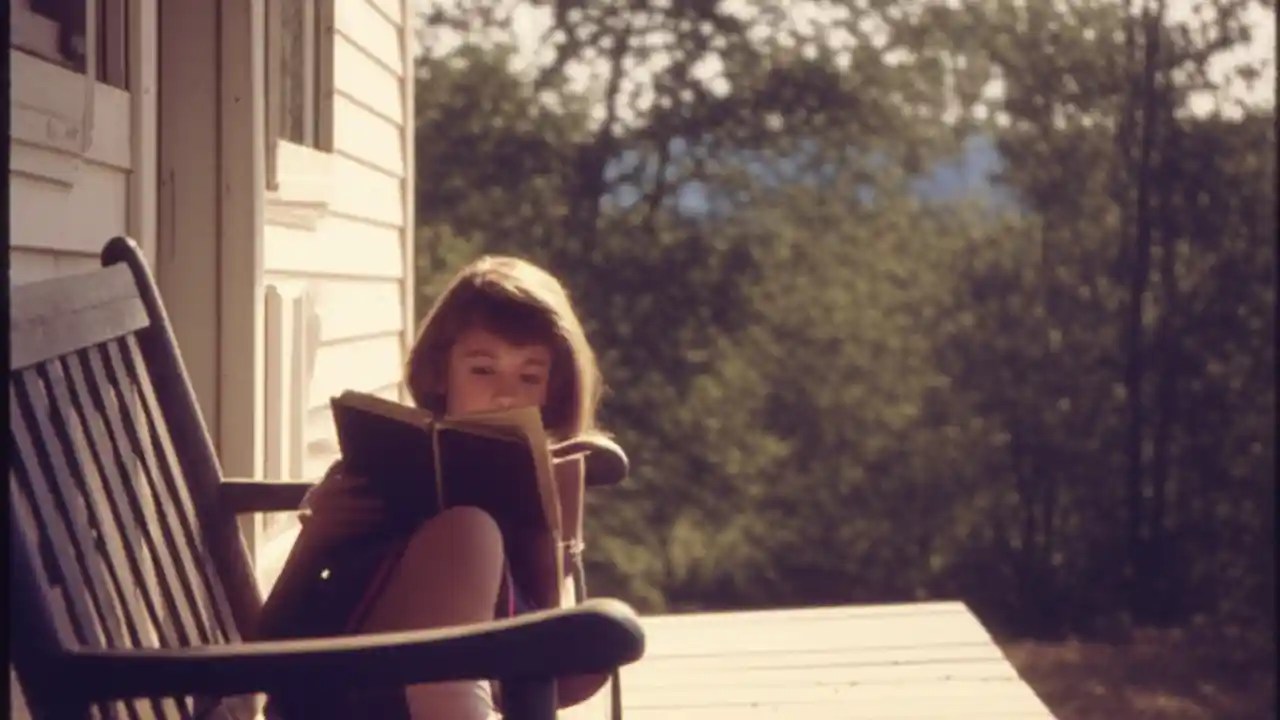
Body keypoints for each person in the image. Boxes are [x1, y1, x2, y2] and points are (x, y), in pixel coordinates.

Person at [277, 255, 610, 719]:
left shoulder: (552, 474)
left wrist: (551, 533)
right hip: (342, 689)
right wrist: (315, 538)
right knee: (468, 532)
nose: (505, 394)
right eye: (482, 369)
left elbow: (544, 633)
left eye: (529, 376)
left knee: (590, 640)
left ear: (553, 389)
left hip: (484, 665)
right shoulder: (375, 463)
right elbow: (267, 639)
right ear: (439, 371)